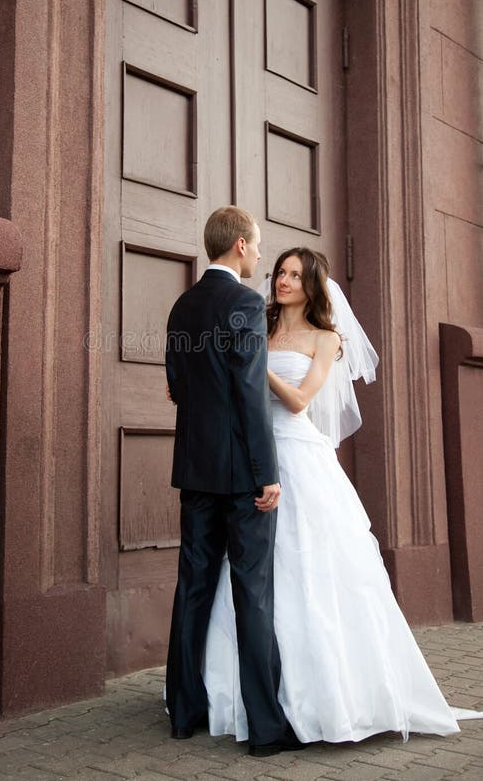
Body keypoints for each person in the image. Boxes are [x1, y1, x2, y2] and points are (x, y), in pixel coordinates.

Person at [202, 246, 464, 744]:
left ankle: (329, 697)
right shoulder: (258, 321)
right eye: (280, 272)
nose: (282, 281)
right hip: (250, 455)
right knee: (248, 571)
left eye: (295, 276)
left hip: (299, 456)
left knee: (311, 568)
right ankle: (239, 690)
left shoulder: (326, 339)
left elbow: (301, 400)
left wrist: (258, 366)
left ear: (313, 286)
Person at [165, 207, 305, 757]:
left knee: (193, 586)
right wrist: (266, 473)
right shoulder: (245, 303)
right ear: (242, 246)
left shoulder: (182, 304)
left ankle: (183, 712)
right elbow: (250, 393)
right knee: (253, 592)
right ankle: (267, 730)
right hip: (241, 477)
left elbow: (175, 385)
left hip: (195, 469)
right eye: (260, 246)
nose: (263, 257)